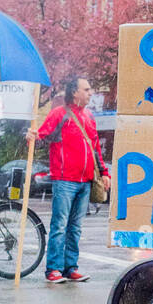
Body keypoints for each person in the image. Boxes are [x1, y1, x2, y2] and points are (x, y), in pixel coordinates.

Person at [28, 75, 109, 284]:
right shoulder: (59, 114)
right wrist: (32, 136)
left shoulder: (89, 117)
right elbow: (42, 135)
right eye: (87, 89)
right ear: (75, 92)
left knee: (75, 227)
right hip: (64, 179)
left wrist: (104, 173)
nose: (90, 93)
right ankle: (54, 268)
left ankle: (70, 267)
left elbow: (95, 148)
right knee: (60, 225)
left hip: (85, 180)